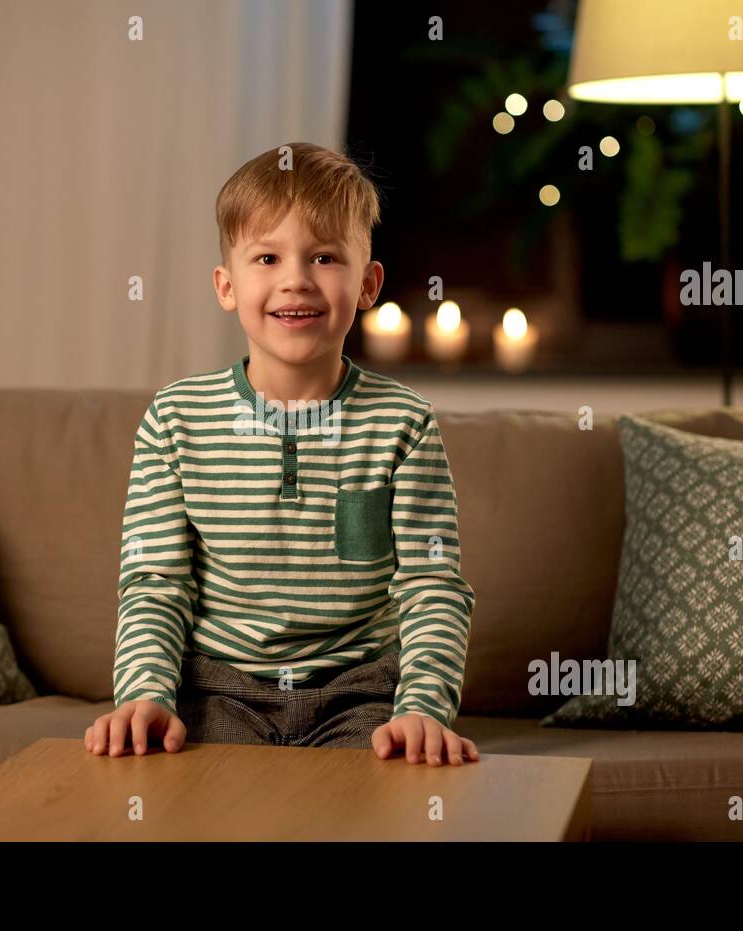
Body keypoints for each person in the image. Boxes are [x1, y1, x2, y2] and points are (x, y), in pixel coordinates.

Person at [86, 142, 477, 765]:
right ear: (227, 285)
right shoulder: (175, 419)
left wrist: (422, 709)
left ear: (368, 284)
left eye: (324, 257)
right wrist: (145, 693)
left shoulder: (404, 422)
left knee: (390, 806)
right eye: (267, 257)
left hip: (364, 695)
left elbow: (432, 586)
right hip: (217, 691)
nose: (295, 278)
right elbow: (156, 582)